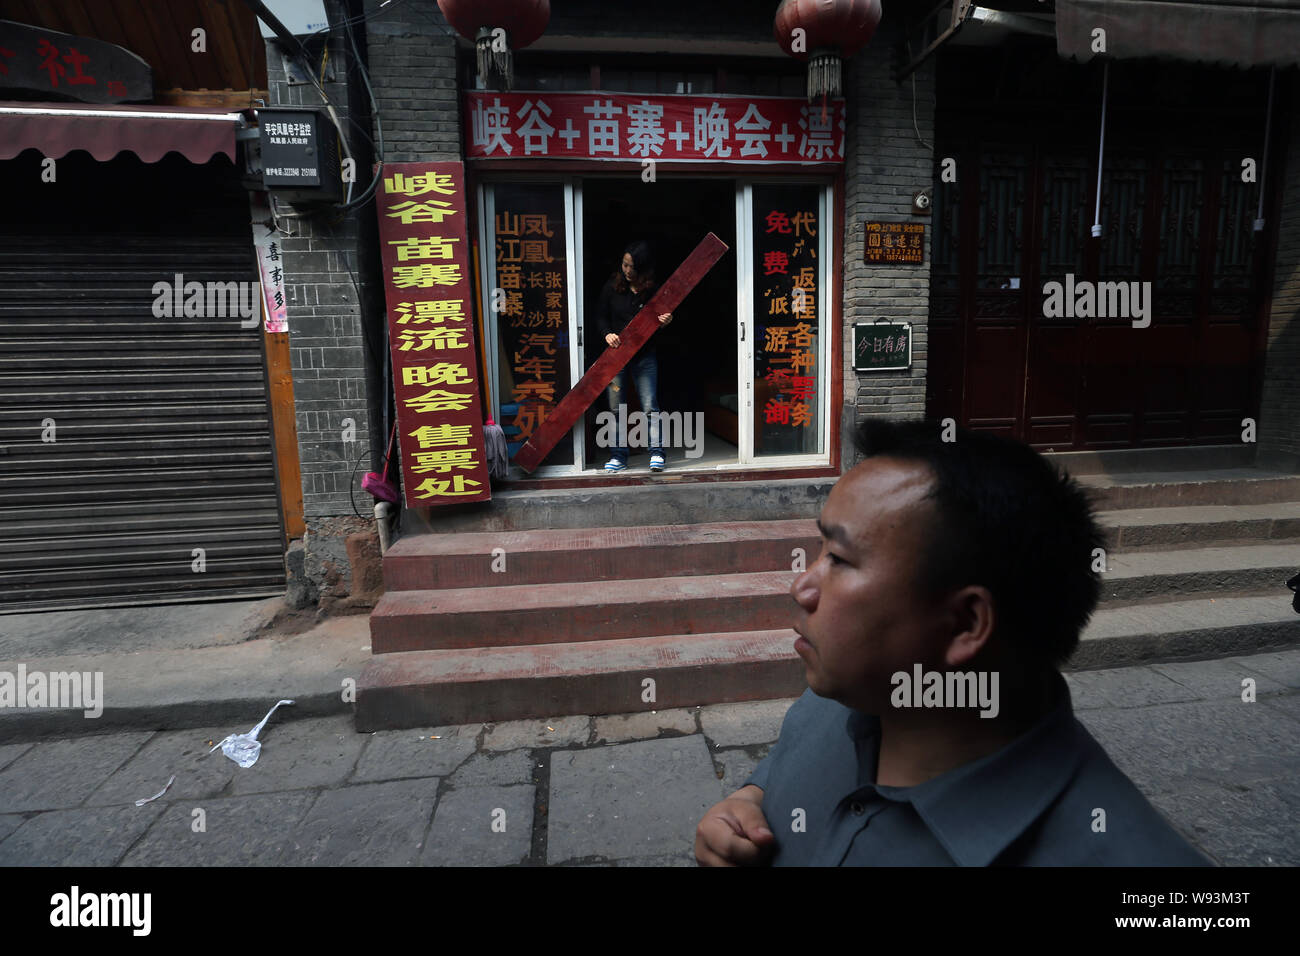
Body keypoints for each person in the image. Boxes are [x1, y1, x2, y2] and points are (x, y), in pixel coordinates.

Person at [695, 419, 1210, 867]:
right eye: (820, 548)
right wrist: (750, 798)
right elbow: (783, 772)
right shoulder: (843, 702)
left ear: (965, 623)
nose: (800, 588)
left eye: (840, 559)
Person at [594, 240, 672, 473]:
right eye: (624, 265)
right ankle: (618, 456)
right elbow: (600, 316)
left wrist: (666, 322)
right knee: (616, 408)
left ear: (643, 268)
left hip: (645, 355)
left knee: (649, 405)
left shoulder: (652, 290)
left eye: (632, 267)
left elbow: (662, 318)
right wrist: (607, 334)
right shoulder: (612, 285)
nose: (627, 270)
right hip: (616, 356)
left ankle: (657, 453)